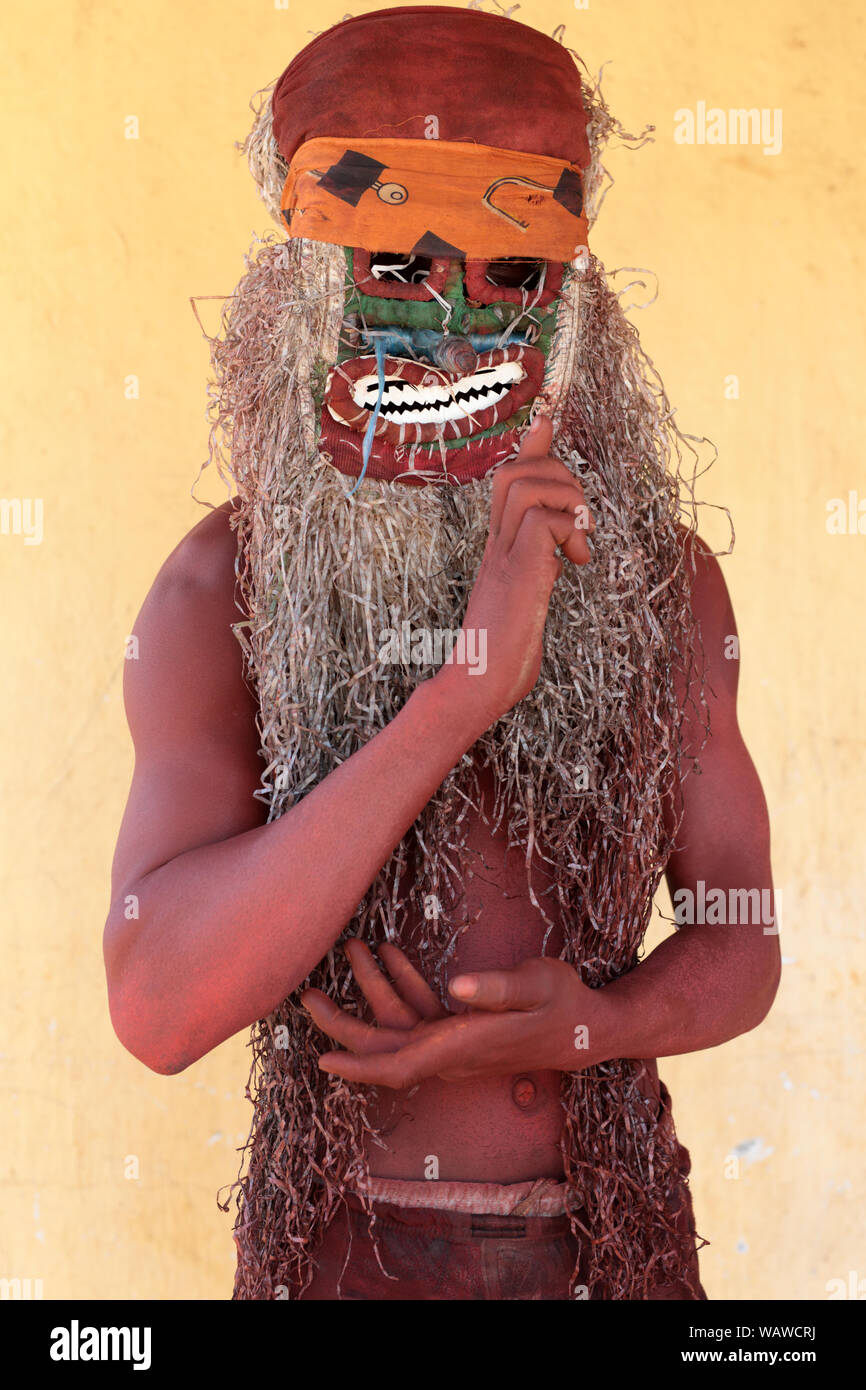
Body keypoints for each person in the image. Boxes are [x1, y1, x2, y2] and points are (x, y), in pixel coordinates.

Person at [103, 5, 779, 1300]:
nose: (458, 338)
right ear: (297, 290)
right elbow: (159, 1009)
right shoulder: (216, 591)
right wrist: (458, 696)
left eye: (511, 276)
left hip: (615, 1242)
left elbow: (739, 930)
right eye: (399, 272)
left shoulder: (657, 582)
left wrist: (594, 1021)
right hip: (334, 1251)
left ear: (574, 302)